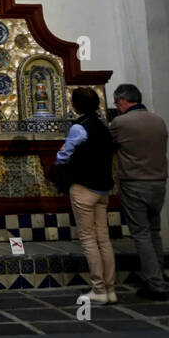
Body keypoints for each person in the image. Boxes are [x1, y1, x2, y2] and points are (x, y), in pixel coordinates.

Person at [56, 87, 116, 304]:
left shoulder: (79, 128)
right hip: (103, 189)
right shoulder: (103, 127)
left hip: (84, 188)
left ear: (75, 106)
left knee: (89, 239)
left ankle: (99, 289)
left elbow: (64, 156)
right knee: (104, 239)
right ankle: (110, 289)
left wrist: (59, 156)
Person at [109, 83, 169, 300]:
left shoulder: (121, 122)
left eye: (117, 103)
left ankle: (155, 284)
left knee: (141, 235)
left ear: (124, 101)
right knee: (154, 232)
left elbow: (109, 144)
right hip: (159, 182)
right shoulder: (158, 120)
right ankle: (158, 276)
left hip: (135, 183)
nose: (117, 107)